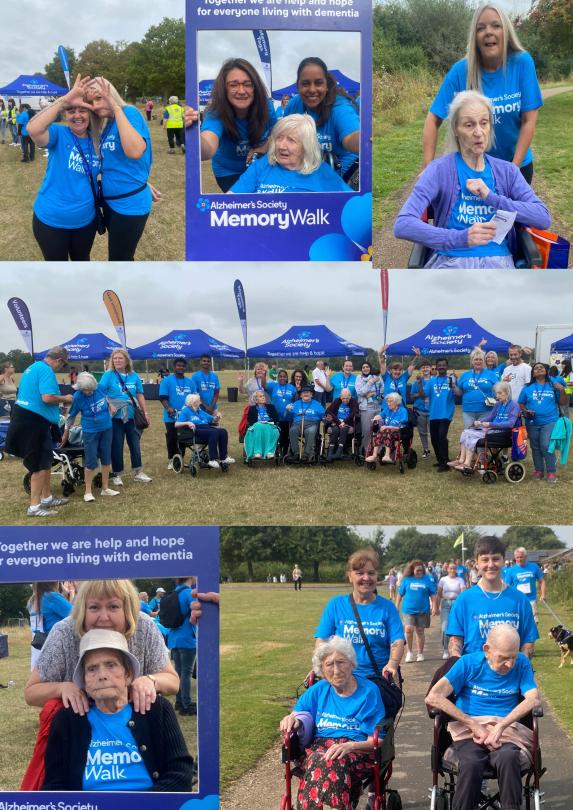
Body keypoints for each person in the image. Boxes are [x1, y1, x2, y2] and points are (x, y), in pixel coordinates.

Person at [394, 91, 550, 268]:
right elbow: (403, 224)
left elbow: (543, 218)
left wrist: (493, 198)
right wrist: (461, 238)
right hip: (450, 261)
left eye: (484, 123)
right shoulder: (438, 170)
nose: (478, 132)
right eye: (469, 125)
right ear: (455, 130)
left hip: (498, 261)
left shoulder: (507, 171)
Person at [42, 628, 192, 791]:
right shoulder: (67, 719)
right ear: (84, 681)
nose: (102, 675)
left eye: (111, 665)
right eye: (92, 669)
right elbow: (53, 786)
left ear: (128, 674)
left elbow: (181, 774)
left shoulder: (157, 709)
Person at [25, 579, 180, 722]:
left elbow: (172, 681)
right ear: (83, 610)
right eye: (94, 607)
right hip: (82, 730)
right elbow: (31, 693)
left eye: (113, 607)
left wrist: (150, 680)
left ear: (127, 610)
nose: (104, 617)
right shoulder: (64, 632)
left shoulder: (143, 626)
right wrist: (62, 688)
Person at [423, 2, 543, 183]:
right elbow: (432, 120)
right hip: (472, 172)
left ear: (506, 32)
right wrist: (428, 170)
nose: (489, 32)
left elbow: (529, 121)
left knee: (512, 212)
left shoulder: (522, 63)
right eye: (481, 28)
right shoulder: (460, 72)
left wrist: (512, 170)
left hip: (517, 167)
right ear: (475, 37)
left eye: (496, 25)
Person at [425, 625, 540, 810]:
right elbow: (433, 696)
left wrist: (500, 727)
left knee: (508, 758)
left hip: (507, 731)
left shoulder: (522, 664)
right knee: (471, 762)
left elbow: (533, 699)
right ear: (487, 650)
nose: (510, 664)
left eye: (513, 656)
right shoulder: (468, 663)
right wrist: (473, 725)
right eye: (503, 657)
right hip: (468, 731)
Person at [279, 637, 385, 810]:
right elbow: (298, 715)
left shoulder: (368, 692)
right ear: (321, 669)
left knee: (331, 760)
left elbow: (378, 740)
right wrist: (292, 719)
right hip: (319, 748)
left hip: (357, 749)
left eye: (341, 662)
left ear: (351, 664)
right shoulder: (319, 690)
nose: (336, 670)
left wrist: (349, 746)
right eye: (329, 664)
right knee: (322, 758)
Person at [27, 75, 100, 262]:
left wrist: (142, 184)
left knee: (82, 263)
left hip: (85, 222)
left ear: (91, 113)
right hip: (51, 221)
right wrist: (65, 100)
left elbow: (114, 170)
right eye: (71, 111)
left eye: (83, 110)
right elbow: (33, 130)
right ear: (65, 115)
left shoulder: (98, 141)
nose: (77, 115)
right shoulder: (59, 133)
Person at [84, 77, 153, 261]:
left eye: (99, 98)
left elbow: (135, 150)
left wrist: (115, 106)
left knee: (119, 260)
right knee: (118, 257)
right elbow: (116, 163)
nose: (96, 106)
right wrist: (143, 180)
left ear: (111, 94)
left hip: (128, 206)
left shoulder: (128, 112)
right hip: (111, 204)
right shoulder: (108, 125)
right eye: (91, 102)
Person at [315, 548, 404, 685]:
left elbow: (397, 641)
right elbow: (322, 641)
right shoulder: (336, 604)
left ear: (376, 576)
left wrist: (392, 664)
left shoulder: (387, 607)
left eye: (371, 573)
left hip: (378, 679)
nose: (366, 578)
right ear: (350, 576)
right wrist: (318, 667)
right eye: (360, 573)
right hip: (342, 678)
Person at [190, 58, 277, 191]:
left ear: (255, 87)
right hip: (228, 172)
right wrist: (193, 133)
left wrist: (264, 146)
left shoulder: (266, 106)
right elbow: (205, 150)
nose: (241, 91)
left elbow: (277, 133)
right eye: (233, 85)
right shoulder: (216, 112)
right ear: (224, 88)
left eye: (247, 84)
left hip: (260, 165)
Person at [5, 347, 73, 518]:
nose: (61, 368)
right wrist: (66, 399)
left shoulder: (34, 367)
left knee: (46, 461)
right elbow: (47, 397)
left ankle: (47, 497)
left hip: (30, 419)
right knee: (39, 465)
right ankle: (34, 507)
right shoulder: (46, 371)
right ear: (58, 360)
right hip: (33, 422)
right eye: (63, 365)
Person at [446, 535, 539, 658]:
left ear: (503, 561)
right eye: (485, 560)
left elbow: (528, 641)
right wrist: (456, 663)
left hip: (511, 674)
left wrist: (521, 666)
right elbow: (455, 639)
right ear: (477, 563)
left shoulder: (520, 600)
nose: (490, 565)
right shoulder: (464, 600)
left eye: (495, 559)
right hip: (474, 675)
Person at [282, 57, 360, 186]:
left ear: (326, 86)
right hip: (308, 173)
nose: (312, 90)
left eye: (318, 83)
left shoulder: (340, 108)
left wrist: (362, 140)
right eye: (305, 84)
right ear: (298, 86)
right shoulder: (293, 106)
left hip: (343, 175)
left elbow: (351, 137)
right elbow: (281, 138)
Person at [230, 114, 350, 193]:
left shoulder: (322, 172)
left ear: (305, 146)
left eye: (291, 140)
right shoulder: (261, 165)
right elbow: (230, 200)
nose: (282, 146)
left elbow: (352, 204)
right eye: (279, 138)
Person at [60, 371, 120, 502]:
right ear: (81, 388)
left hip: (107, 428)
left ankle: (105, 488)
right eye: (87, 390)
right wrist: (65, 434)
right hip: (90, 432)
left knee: (106, 458)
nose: (90, 392)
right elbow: (71, 417)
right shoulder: (77, 397)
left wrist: (110, 405)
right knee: (91, 461)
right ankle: (87, 491)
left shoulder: (99, 388)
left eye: (91, 389)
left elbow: (106, 397)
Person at [98, 349, 152, 487]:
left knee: (135, 444)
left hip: (132, 416)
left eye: (120, 358)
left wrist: (145, 412)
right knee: (117, 445)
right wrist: (109, 404)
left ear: (126, 360)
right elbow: (100, 392)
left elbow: (140, 394)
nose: (117, 360)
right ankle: (117, 474)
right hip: (115, 417)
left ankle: (138, 472)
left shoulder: (133, 376)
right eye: (115, 358)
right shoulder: (108, 375)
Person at [448, 380, 521, 470]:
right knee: (466, 433)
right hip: (493, 431)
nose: (497, 396)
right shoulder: (498, 404)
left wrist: (490, 424)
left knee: (468, 434)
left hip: (503, 433)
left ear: (507, 393)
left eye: (499, 393)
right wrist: (480, 422)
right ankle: (462, 460)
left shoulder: (514, 405)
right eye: (496, 393)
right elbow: (491, 416)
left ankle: (466, 463)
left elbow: (510, 424)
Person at [518, 362, 566, 483]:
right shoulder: (527, 387)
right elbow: (521, 403)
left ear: (546, 371)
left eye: (541, 367)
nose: (539, 369)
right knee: (535, 446)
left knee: (545, 445)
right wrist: (525, 410)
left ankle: (551, 471)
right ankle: (538, 470)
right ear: (533, 373)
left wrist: (562, 390)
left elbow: (563, 402)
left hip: (549, 421)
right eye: (536, 368)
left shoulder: (553, 385)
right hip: (532, 421)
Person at [416, 358, 457, 472]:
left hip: (446, 413)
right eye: (439, 365)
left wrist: (454, 385)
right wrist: (420, 384)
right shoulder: (432, 381)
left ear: (447, 366)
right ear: (436, 367)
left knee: (441, 436)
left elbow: (458, 393)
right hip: (433, 413)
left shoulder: (451, 379)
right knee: (434, 438)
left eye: (444, 365)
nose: (441, 367)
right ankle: (440, 460)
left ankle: (445, 462)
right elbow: (424, 395)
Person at [174, 393, 234, 469]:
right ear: (193, 403)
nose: (200, 402)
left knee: (223, 431)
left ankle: (223, 457)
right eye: (199, 401)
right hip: (196, 430)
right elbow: (176, 424)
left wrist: (217, 417)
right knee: (214, 432)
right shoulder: (186, 411)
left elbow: (212, 419)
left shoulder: (199, 410)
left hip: (206, 428)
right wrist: (188, 422)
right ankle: (212, 459)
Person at [166, 578, 197, 717]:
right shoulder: (189, 593)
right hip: (187, 638)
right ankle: (186, 704)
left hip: (174, 638)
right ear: (190, 577)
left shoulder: (174, 593)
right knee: (186, 673)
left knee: (179, 672)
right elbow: (196, 614)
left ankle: (179, 702)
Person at [396, 560, 437, 663]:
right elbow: (400, 594)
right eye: (417, 570)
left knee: (420, 631)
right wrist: (396, 606)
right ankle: (409, 652)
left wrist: (435, 607)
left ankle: (420, 653)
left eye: (421, 570)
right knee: (408, 629)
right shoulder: (406, 580)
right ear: (412, 570)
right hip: (408, 609)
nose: (419, 572)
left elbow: (433, 594)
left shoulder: (427, 579)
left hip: (423, 609)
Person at [158, 359, 196, 470]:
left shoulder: (190, 382)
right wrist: (168, 408)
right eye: (179, 365)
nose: (181, 367)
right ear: (174, 367)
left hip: (186, 417)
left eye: (183, 366)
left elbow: (195, 398)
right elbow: (163, 397)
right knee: (172, 438)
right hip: (171, 416)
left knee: (184, 438)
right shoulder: (167, 381)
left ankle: (180, 458)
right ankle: (172, 459)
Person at [454, 349, 499, 428]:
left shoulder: (491, 374)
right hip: (468, 410)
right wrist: (453, 386)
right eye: (476, 359)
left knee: (483, 435)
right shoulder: (465, 375)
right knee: (469, 434)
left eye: (480, 359)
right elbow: (459, 392)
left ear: (484, 361)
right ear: (472, 361)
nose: (478, 361)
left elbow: (498, 390)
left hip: (486, 410)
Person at [366, 392, 409, 464]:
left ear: (396, 402)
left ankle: (387, 455)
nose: (388, 403)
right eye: (388, 401)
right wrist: (376, 418)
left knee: (386, 430)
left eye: (390, 401)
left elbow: (401, 426)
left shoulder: (403, 411)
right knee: (381, 431)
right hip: (385, 431)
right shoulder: (387, 409)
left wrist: (387, 427)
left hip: (398, 432)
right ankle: (374, 455)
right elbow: (380, 415)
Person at [504, 547, 546, 622]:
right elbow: (506, 586)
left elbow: (542, 581)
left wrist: (543, 595)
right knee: (518, 622)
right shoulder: (511, 570)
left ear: (526, 557)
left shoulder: (534, 567)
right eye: (517, 557)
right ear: (515, 558)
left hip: (531, 599)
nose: (519, 559)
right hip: (517, 600)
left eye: (521, 557)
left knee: (533, 622)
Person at [285, 385, 325, 462]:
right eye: (304, 393)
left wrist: (326, 419)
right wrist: (287, 411)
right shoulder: (295, 404)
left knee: (310, 432)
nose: (306, 394)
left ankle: (307, 454)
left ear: (312, 395)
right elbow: (289, 417)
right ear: (300, 395)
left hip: (312, 424)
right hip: (297, 424)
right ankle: (296, 453)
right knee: (292, 431)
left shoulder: (317, 404)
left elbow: (323, 416)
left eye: (308, 392)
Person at [437, 563, 466, 660]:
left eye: (454, 568)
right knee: (445, 628)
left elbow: (463, 592)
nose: (452, 570)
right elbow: (439, 593)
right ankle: (445, 649)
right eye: (451, 568)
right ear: (447, 569)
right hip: (446, 604)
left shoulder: (460, 580)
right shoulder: (443, 580)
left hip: (457, 604)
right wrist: (436, 607)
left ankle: (457, 649)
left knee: (458, 627)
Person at [266, 369, 297, 455]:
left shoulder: (292, 388)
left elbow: (296, 401)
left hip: (288, 417)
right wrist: (264, 374)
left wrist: (298, 390)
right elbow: (263, 386)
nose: (282, 378)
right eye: (280, 376)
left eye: (284, 376)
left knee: (286, 436)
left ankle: (285, 453)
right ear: (278, 377)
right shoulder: (273, 386)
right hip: (276, 416)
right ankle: (276, 451)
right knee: (277, 435)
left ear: (287, 377)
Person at [355, 361, 383, 455]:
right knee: (366, 430)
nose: (365, 368)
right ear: (361, 370)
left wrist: (373, 394)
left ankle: (378, 451)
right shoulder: (359, 378)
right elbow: (360, 392)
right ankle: (365, 450)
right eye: (363, 367)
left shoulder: (377, 377)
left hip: (378, 405)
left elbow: (382, 389)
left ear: (370, 368)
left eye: (367, 366)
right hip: (366, 407)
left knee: (379, 429)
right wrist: (370, 382)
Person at [324, 388, 359, 461]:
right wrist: (339, 422)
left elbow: (354, 413)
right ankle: (330, 452)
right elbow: (328, 411)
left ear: (350, 396)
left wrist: (344, 422)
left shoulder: (354, 402)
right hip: (337, 423)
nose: (345, 400)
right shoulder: (337, 401)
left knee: (344, 429)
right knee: (335, 430)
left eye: (347, 398)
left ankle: (339, 452)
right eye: (343, 398)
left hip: (348, 423)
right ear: (340, 397)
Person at [244, 389, 280, 460]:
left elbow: (276, 418)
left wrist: (267, 421)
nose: (263, 397)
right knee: (258, 425)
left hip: (269, 425)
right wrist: (260, 422)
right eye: (260, 396)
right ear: (256, 400)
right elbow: (250, 421)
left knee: (270, 429)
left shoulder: (271, 407)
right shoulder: (252, 409)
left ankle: (269, 452)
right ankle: (257, 452)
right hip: (257, 426)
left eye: (263, 396)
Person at [410, 359, 432, 458]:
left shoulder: (435, 380)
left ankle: (437, 449)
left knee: (434, 432)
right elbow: (411, 396)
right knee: (422, 432)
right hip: (420, 410)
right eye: (423, 367)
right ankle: (426, 449)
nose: (425, 369)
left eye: (427, 367)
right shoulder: (417, 381)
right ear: (420, 370)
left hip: (433, 411)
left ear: (431, 368)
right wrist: (420, 394)